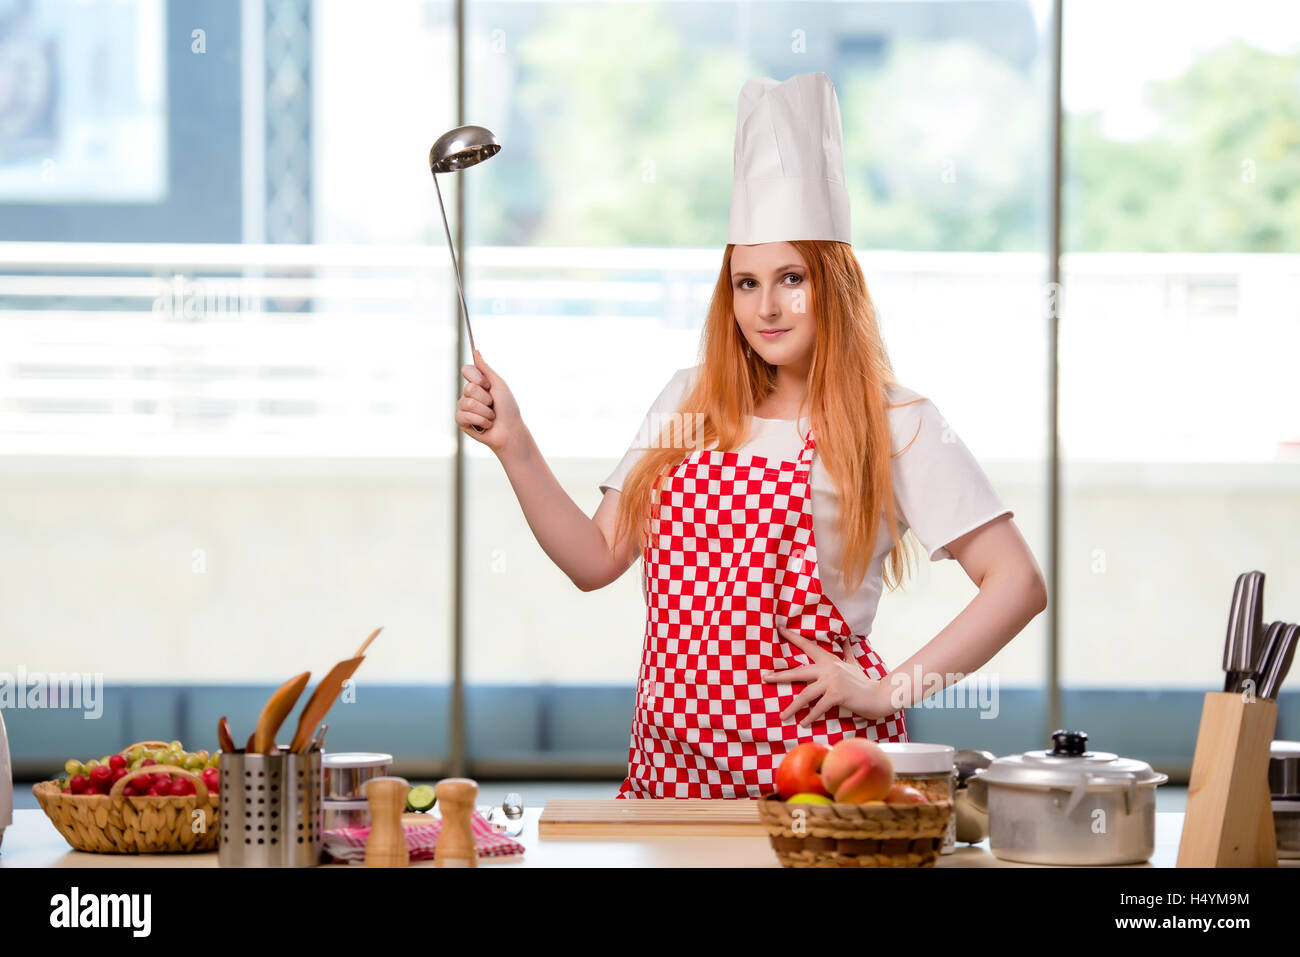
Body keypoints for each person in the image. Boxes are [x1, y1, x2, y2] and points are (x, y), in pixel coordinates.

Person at [455, 72, 1047, 799]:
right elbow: (596, 557)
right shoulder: (688, 400)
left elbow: (1017, 583)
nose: (766, 306)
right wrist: (514, 443)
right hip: (672, 777)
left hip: (820, 780)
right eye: (746, 282)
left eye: (791, 278)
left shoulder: (898, 423)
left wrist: (890, 691)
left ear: (834, 283)